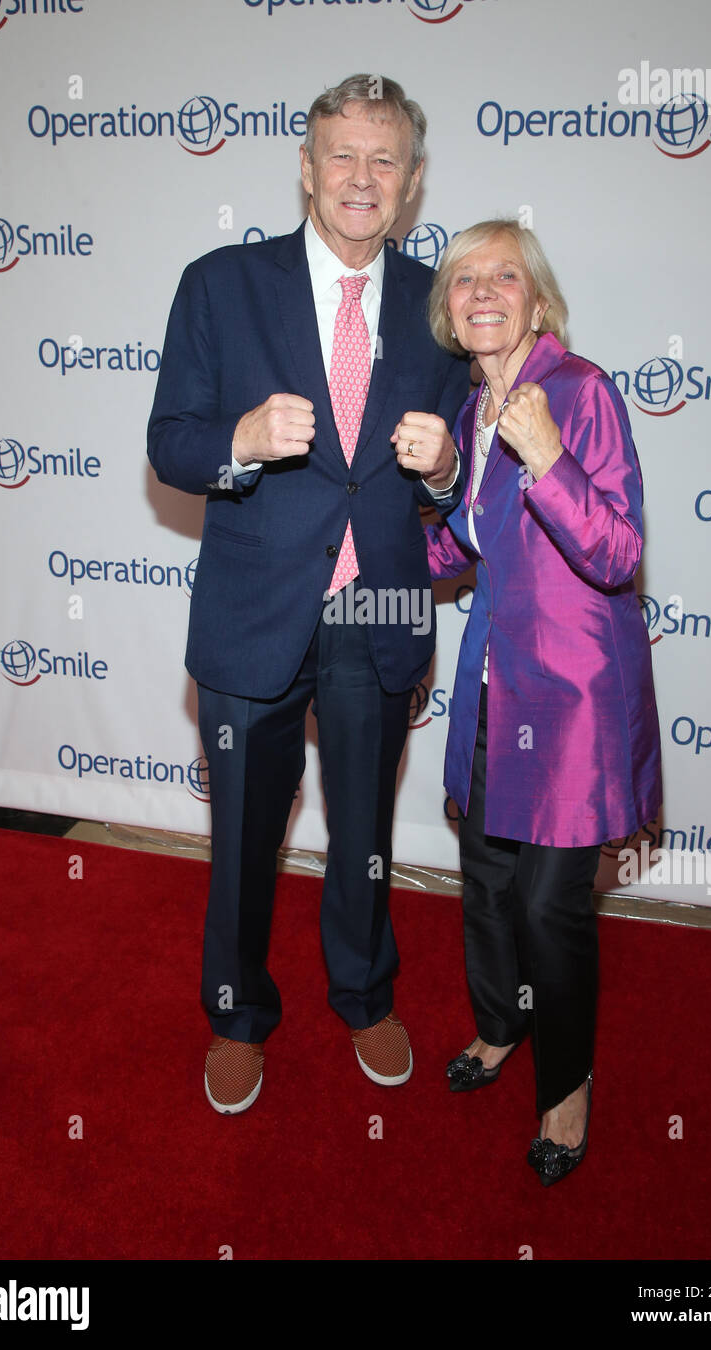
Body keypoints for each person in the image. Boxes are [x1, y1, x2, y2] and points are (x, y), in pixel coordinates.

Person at [147, 74, 470, 1114]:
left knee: (364, 827)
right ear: (304, 167)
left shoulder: (437, 309)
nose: (361, 178)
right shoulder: (218, 284)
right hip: (253, 611)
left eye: (384, 160)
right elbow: (172, 443)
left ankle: (364, 990)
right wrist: (239, 442)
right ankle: (237, 1011)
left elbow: (455, 483)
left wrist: (443, 473)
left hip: (375, 612)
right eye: (342, 154)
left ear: (412, 182)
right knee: (243, 828)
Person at [425, 219, 662, 1185]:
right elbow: (457, 554)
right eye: (464, 279)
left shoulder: (580, 391)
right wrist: (433, 489)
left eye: (504, 275)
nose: (483, 290)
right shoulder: (466, 408)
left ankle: (568, 1091)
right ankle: (499, 1024)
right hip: (488, 686)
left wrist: (551, 456)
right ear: (448, 310)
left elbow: (617, 552)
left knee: (550, 908)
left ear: (538, 299)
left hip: (569, 703)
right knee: (483, 882)